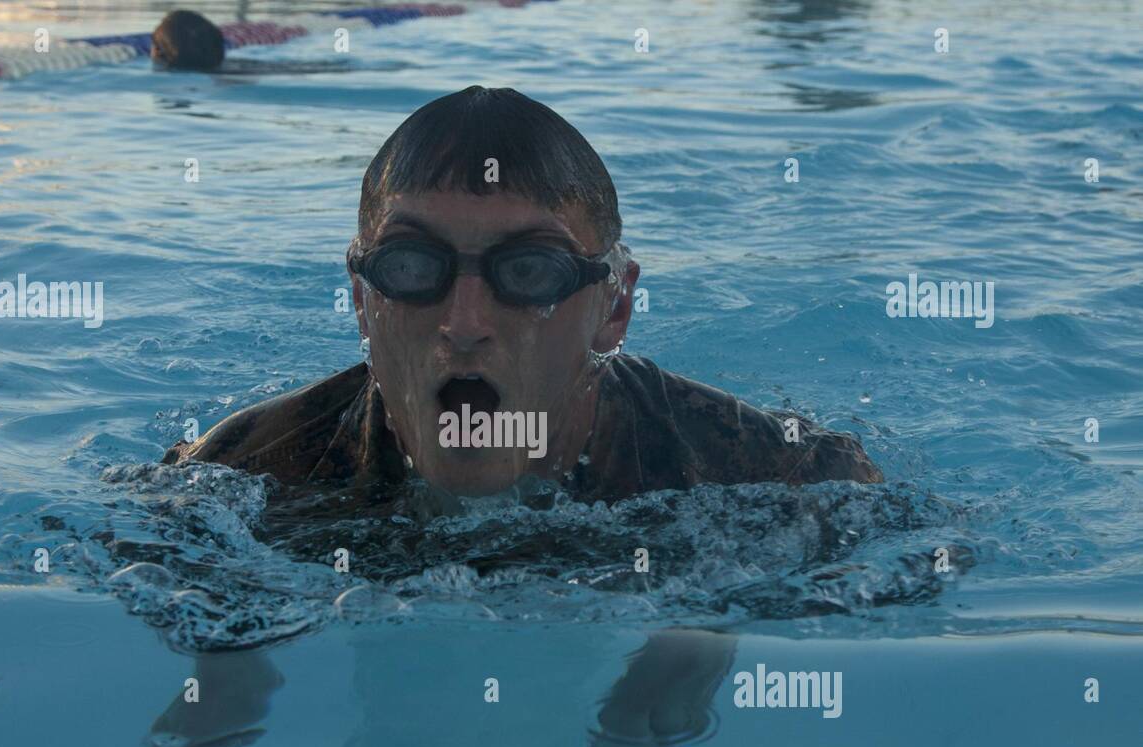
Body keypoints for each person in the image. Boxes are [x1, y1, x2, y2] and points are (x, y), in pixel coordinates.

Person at [162, 86, 882, 502]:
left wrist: (699, 639)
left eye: (529, 273)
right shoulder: (251, 473)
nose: (465, 323)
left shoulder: (760, 473)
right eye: (413, 267)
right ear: (360, 298)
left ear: (614, 309)